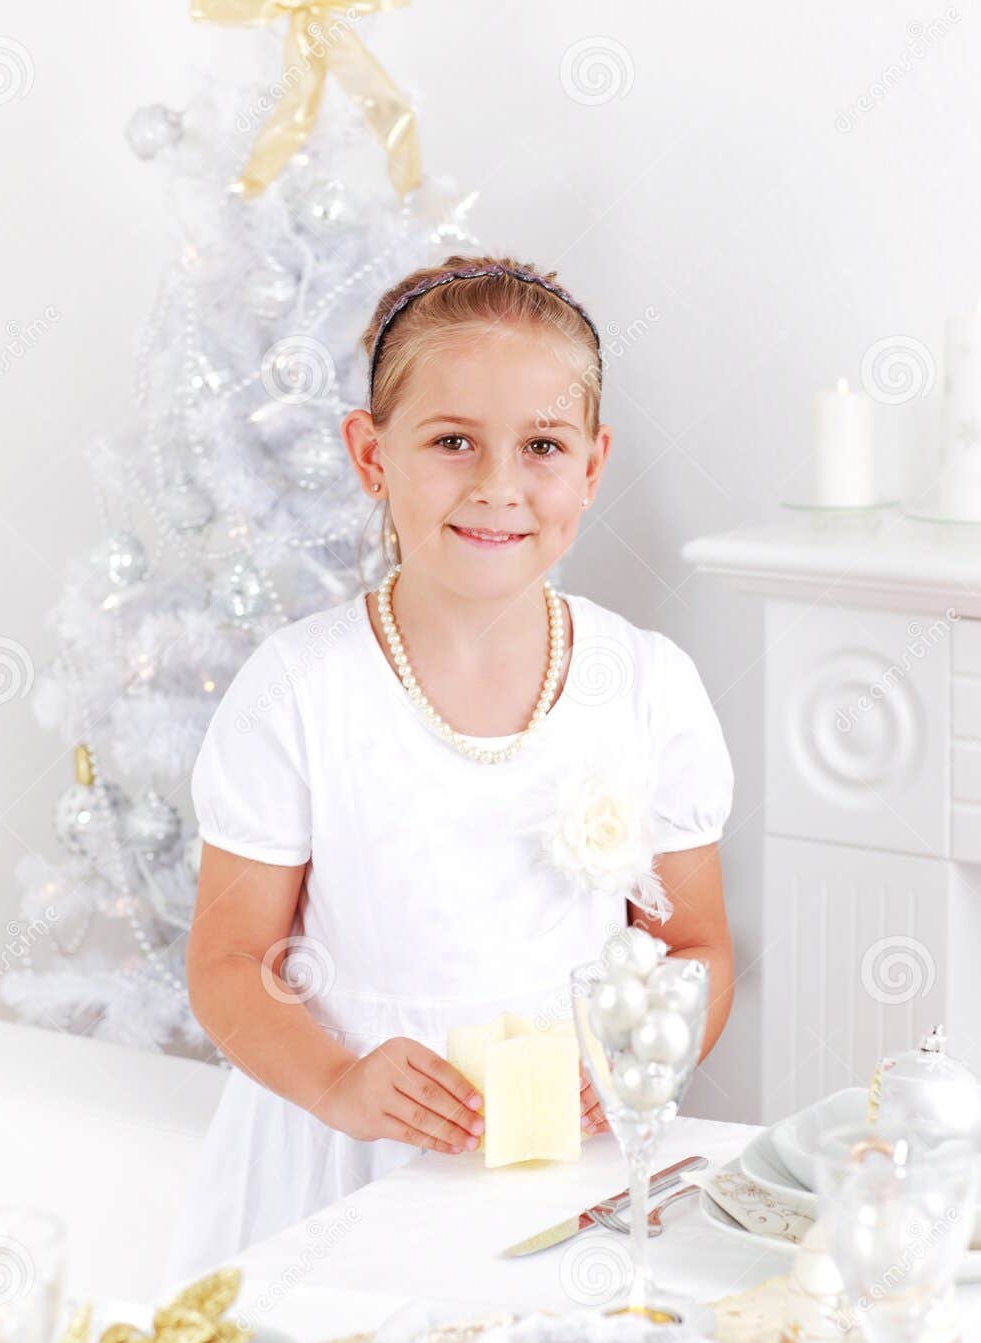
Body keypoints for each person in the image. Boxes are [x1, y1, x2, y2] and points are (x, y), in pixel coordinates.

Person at [167, 257, 734, 1280]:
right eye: (451, 441)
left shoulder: (645, 686)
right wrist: (339, 1084)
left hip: (561, 1164)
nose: (497, 487)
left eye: (542, 446)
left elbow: (691, 943)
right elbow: (225, 963)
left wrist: (639, 1069)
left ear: (592, 465)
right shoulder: (300, 690)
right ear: (370, 453)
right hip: (341, 1159)